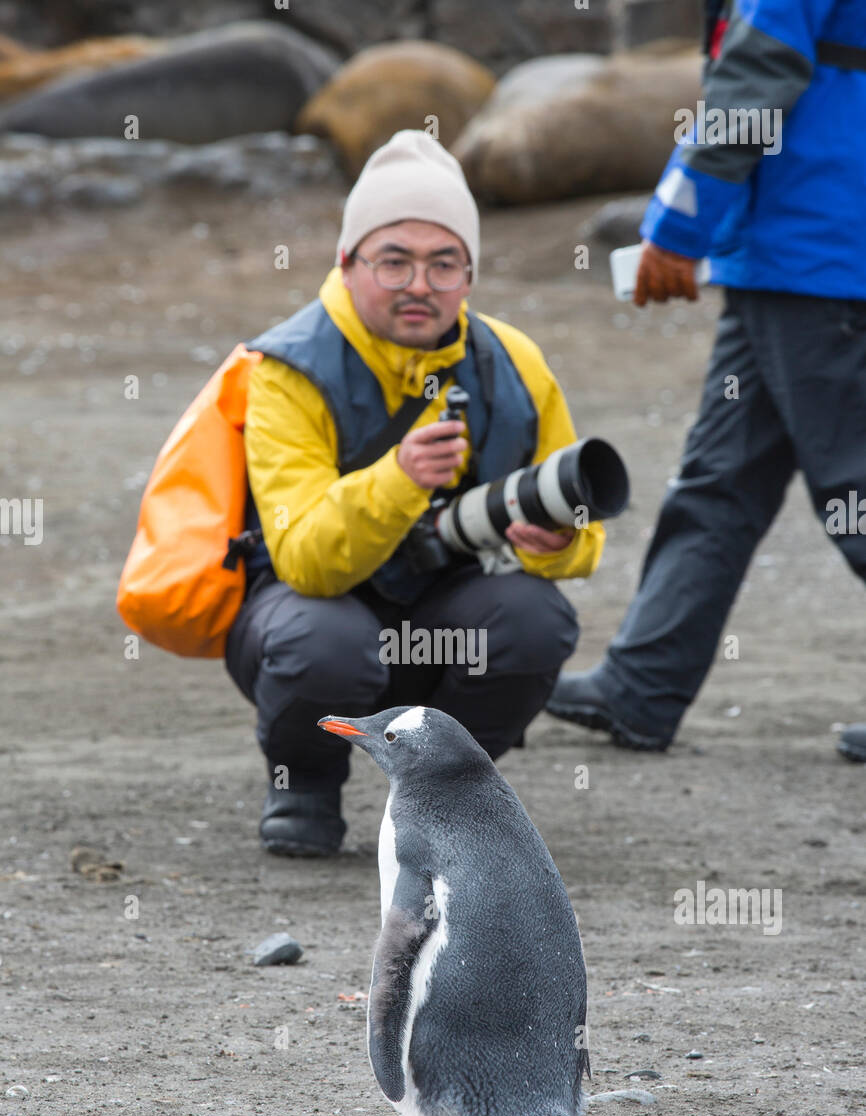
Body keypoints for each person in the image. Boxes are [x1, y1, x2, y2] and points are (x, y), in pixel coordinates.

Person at [225, 129, 606, 855]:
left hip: (442, 611)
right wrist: (398, 481)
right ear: (347, 261)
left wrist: (558, 540)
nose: (419, 285)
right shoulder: (287, 369)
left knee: (535, 618)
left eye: (443, 264)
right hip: (309, 619)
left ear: (470, 274)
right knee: (325, 640)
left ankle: (450, 796)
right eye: (393, 261)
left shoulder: (513, 362)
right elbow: (304, 557)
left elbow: (577, 517)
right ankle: (303, 777)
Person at [547, 0, 866, 755]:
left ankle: (643, 684)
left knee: (855, 488)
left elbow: (756, 77)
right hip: (796, 254)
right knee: (721, 478)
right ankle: (643, 686)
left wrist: (676, 226)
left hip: (817, 256)